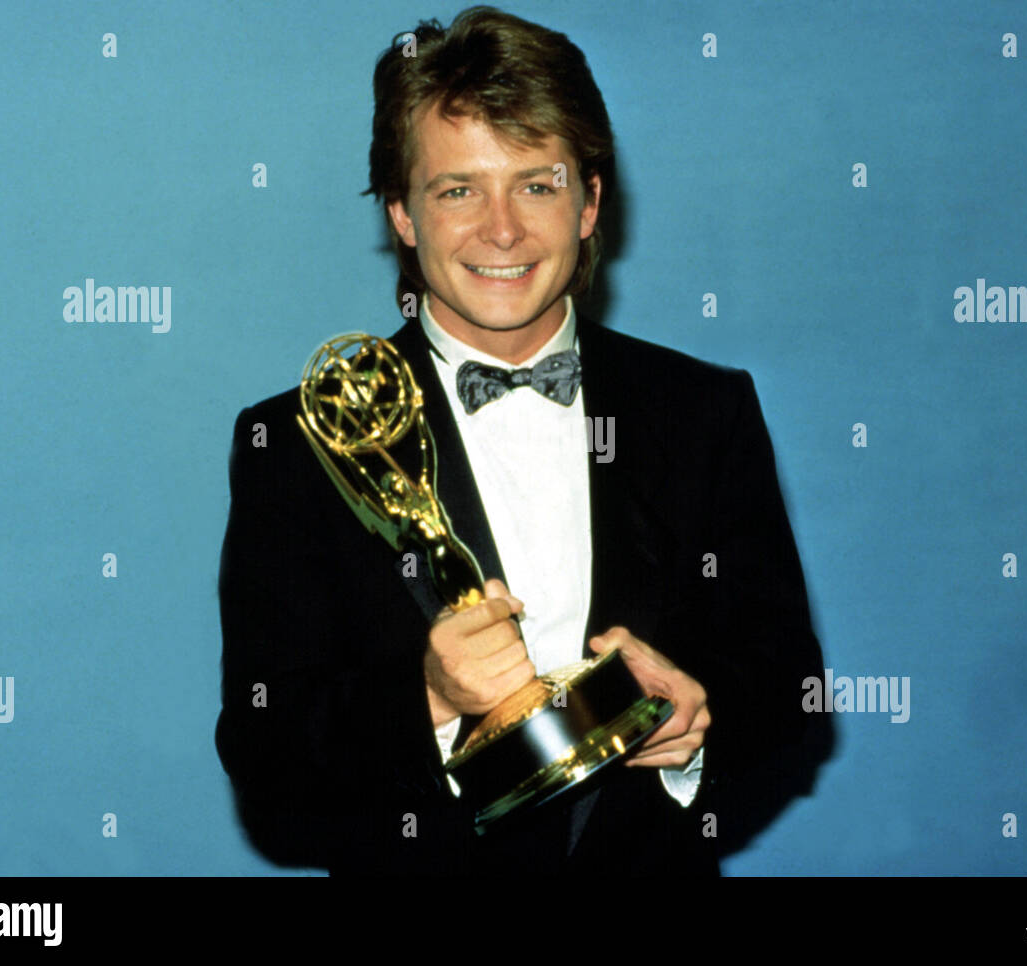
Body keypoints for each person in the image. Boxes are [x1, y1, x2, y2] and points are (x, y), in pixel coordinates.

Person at [215, 5, 830, 876]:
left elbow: (791, 694)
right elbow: (265, 753)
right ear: (399, 212)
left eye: (537, 184)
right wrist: (427, 698)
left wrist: (700, 723)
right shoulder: (300, 439)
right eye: (457, 188)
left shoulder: (703, 412)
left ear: (590, 203)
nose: (501, 230)